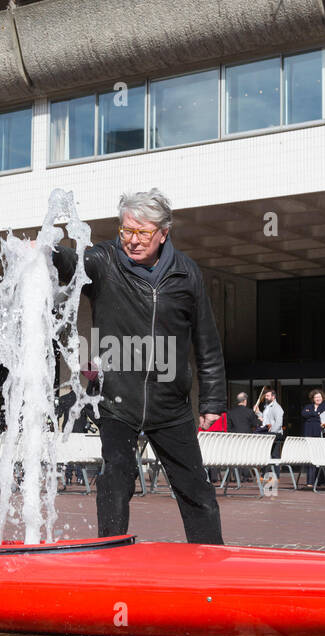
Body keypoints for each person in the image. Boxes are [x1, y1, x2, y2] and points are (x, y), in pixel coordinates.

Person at [51, 188, 226, 545]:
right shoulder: (105, 261)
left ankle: (210, 560)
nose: (132, 241)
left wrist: (212, 401)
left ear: (163, 233)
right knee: (116, 478)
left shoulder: (186, 274)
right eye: (126, 231)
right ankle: (109, 556)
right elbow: (75, 262)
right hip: (118, 400)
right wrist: (47, 252)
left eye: (142, 233)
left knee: (196, 489)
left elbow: (206, 341)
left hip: (170, 404)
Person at [301, 388, 325, 488]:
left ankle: (321, 480)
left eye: (319, 397)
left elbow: (324, 418)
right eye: (316, 397)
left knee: (320, 457)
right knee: (310, 458)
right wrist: (316, 414)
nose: (318, 398)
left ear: (322, 397)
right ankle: (310, 481)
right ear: (313, 398)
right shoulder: (308, 406)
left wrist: (310, 415)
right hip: (308, 435)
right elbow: (304, 414)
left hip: (319, 435)